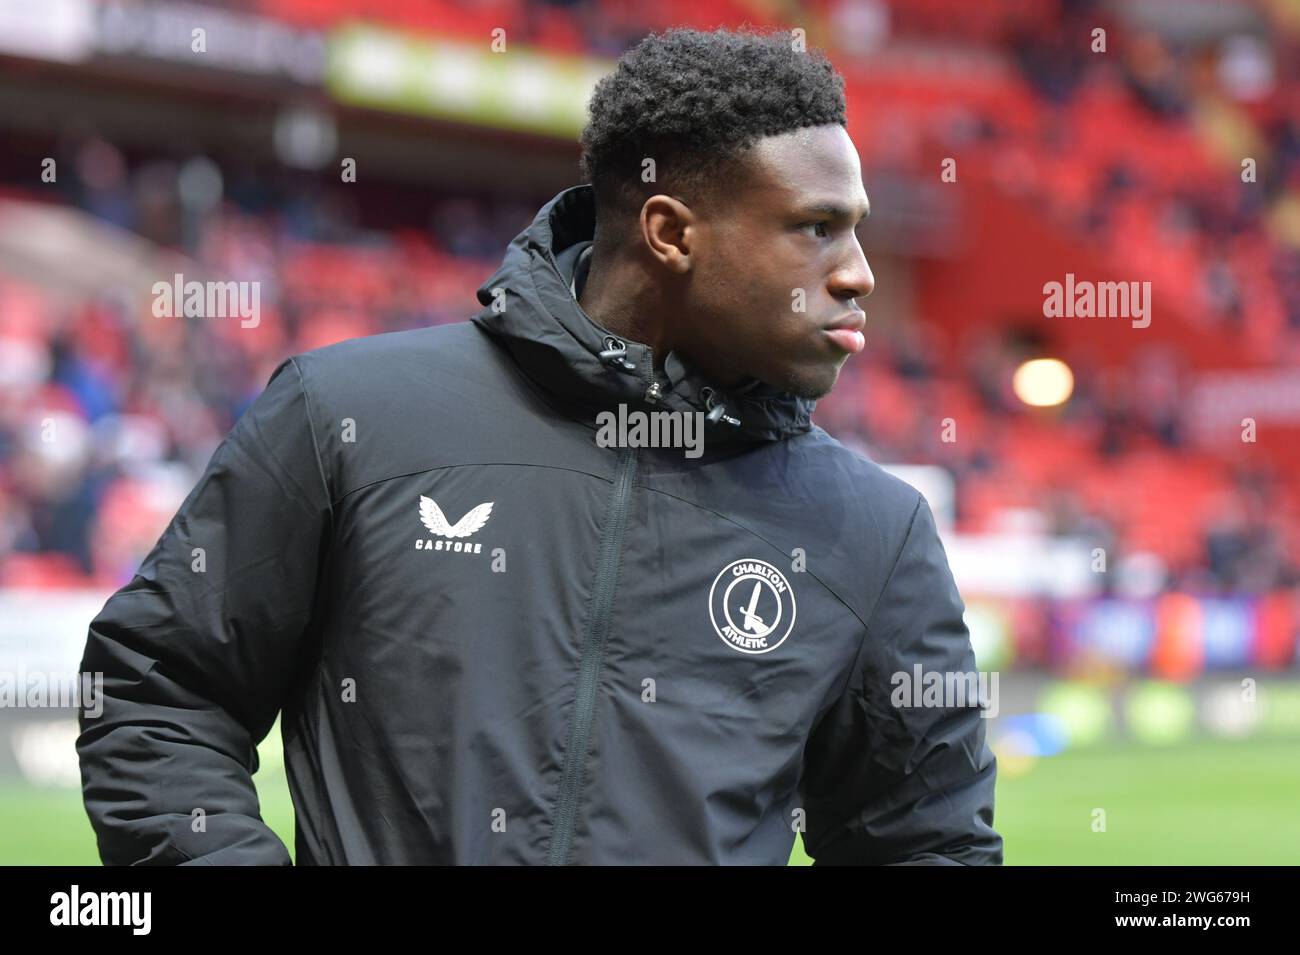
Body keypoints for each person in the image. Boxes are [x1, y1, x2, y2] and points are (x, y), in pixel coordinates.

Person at [77, 26, 1001, 865]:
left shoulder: (874, 532)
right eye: (817, 228)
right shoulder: (351, 415)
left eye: (856, 231)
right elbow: (160, 689)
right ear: (670, 233)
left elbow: (930, 844)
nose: (859, 274)